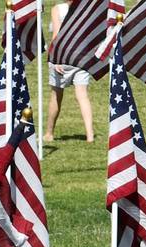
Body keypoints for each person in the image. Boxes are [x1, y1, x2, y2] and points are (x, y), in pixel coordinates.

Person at [44, 0, 96, 142]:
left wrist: (55, 59)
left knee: (56, 95)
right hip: (82, 57)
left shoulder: (57, 9)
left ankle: (49, 133)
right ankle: (90, 134)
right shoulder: (85, 9)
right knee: (82, 96)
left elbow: (57, 35)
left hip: (63, 57)